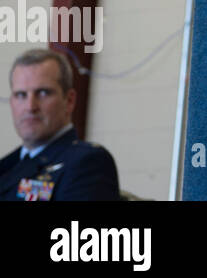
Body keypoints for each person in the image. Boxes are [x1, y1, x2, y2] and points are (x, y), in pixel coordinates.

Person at [2, 49, 120, 201]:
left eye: (43, 93)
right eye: (21, 95)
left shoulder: (86, 162)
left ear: (69, 100)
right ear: (11, 102)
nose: (30, 106)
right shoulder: (7, 166)